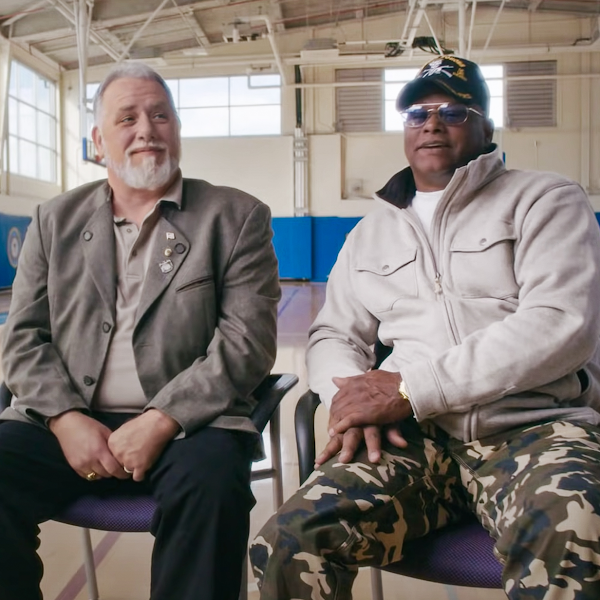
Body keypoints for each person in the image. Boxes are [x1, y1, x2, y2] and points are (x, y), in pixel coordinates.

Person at [250, 55, 600, 600]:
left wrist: (410, 389)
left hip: (535, 428)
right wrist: (351, 401)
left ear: (487, 125)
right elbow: (333, 336)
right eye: (417, 113)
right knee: (288, 542)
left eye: (453, 110)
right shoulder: (369, 234)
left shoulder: (545, 199)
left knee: (574, 536)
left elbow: (560, 324)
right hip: (411, 438)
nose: (432, 123)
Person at [0, 61, 280, 600]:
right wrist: (63, 417)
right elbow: (23, 337)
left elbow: (246, 343)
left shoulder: (235, 216)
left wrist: (162, 419)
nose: (146, 129)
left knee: (214, 486)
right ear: (98, 141)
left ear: (176, 130)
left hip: (191, 425)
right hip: (68, 420)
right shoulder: (53, 220)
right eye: (126, 118)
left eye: (160, 115)